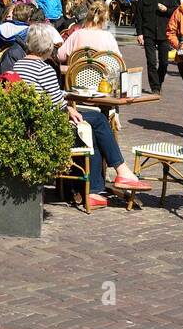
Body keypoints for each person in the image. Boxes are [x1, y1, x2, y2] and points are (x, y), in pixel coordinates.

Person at [10, 23, 149, 209]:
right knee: (99, 120)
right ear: (47, 47)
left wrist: (66, 105)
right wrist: (68, 108)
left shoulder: (18, 65)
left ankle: (95, 190)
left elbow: (44, 95)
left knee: (92, 127)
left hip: (31, 124)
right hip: (47, 126)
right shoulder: (44, 69)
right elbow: (57, 104)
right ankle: (118, 173)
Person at [134, 0, 178, 94]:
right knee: (151, 62)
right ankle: (155, 88)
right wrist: (139, 33)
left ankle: (159, 81)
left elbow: (176, 12)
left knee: (164, 63)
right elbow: (138, 16)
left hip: (164, 33)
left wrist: (166, 10)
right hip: (148, 33)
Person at [58, 0, 120, 68]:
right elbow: (118, 60)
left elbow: (60, 56)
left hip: (76, 73)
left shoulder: (77, 34)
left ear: (87, 17)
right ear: (104, 20)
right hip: (101, 73)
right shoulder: (108, 37)